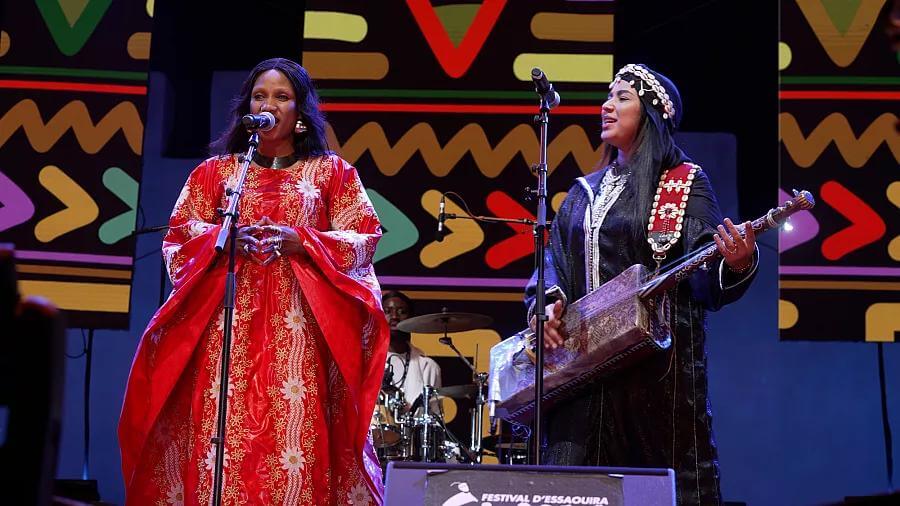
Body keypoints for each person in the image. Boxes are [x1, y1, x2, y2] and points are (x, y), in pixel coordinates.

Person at [118, 58, 389, 505]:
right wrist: (224, 239)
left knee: (293, 437)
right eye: (260, 96)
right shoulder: (216, 173)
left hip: (297, 332)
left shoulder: (332, 174)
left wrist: (303, 240)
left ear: (300, 112)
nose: (268, 105)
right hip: (226, 331)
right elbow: (179, 238)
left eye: (281, 97)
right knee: (221, 434)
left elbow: (364, 238)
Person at [526, 63, 758, 505]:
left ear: (651, 113)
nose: (606, 106)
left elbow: (704, 267)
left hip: (653, 376)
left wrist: (737, 262)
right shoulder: (583, 192)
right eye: (607, 96)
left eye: (621, 97)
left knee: (652, 488)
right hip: (581, 374)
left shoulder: (683, 184)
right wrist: (548, 304)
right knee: (571, 487)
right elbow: (552, 261)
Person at [381, 290, 442, 412]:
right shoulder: (364, 363)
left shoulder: (428, 367)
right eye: (387, 311)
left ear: (411, 319)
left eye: (402, 312)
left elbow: (434, 417)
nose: (394, 316)